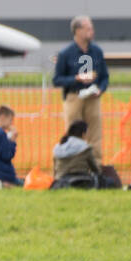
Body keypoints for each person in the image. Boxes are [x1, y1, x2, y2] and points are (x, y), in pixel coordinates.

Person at [52, 15, 109, 163]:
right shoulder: (65, 53)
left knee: (95, 134)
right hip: (74, 97)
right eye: (88, 28)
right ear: (78, 31)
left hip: (93, 98)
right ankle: (73, 165)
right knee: (74, 133)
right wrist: (76, 78)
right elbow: (57, 80)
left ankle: (96, 165)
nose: (92, 31)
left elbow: (105, 76)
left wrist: (100, 89)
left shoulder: (97, 51)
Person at [51, 119, 100, 188]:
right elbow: (95, 169)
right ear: (83, 134)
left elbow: (55, 170)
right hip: (81, 180)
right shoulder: (85, 148)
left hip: (60, 181)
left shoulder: (58, 147)